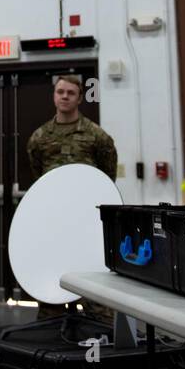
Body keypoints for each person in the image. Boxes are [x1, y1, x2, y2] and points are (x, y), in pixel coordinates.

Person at [27, 74, 118, 323]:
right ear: (54, 96)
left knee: (95, 292)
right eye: (60, 92)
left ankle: (102, 335)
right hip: (53, 223)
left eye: (70, 93)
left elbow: (108, 176)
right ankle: (51, 337)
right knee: (52, 285)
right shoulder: (40, 137)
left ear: (79, 98)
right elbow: (38, 176)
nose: (64, 97)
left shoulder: (96, 136)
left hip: (86, 222)